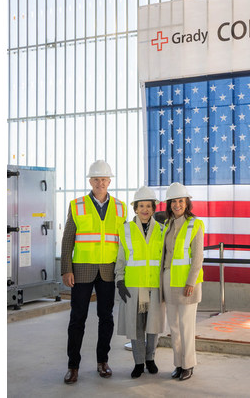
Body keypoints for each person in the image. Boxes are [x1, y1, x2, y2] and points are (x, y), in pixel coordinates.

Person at [60, 160, 127, 384]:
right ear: (90, 181)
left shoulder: (120, 207)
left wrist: (123, 271)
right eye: (96, 179)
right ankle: (73, 366)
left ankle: (103, 362)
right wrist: (66, 269)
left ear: (109, 181)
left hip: (108, 270)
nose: (100, 182)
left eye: (104, 179)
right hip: (81, 270)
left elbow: (125, 242)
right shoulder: (77, 205)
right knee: (77, 318)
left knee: (106, 318)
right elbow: (68, 238)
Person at [115, 186, 166, 379]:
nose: (145, 209)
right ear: (135, 208)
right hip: (133, 286)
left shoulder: (162, 229)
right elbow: (121, 258)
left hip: (154, 285)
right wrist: (119, 280)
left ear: (153, 209)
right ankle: (138, 362)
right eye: (141, 205)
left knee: (153, 327)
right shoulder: (125, 229)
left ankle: (150, 358)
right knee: (135, 327)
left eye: (149, 206)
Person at [160, 182, 205, 381]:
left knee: (187, 326)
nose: (177, 204)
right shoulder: (167, 225)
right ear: (169, 204)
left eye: (181, 201)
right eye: (174, 201)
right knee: (174, 326)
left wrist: (191, 283)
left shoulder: (196, 224)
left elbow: (197, 257)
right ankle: (178, 363)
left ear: (187, 203)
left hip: (187, 282)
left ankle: (188, 365)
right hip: (169, 279)